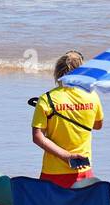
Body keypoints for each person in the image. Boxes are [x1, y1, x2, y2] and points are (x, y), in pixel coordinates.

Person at [30, 50, 103, 187]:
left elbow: (37, 137)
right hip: (83, 170)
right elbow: (98, 125)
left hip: (53, 172)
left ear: (57, 72)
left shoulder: (47, 99)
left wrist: (66, 156)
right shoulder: (92, 96)